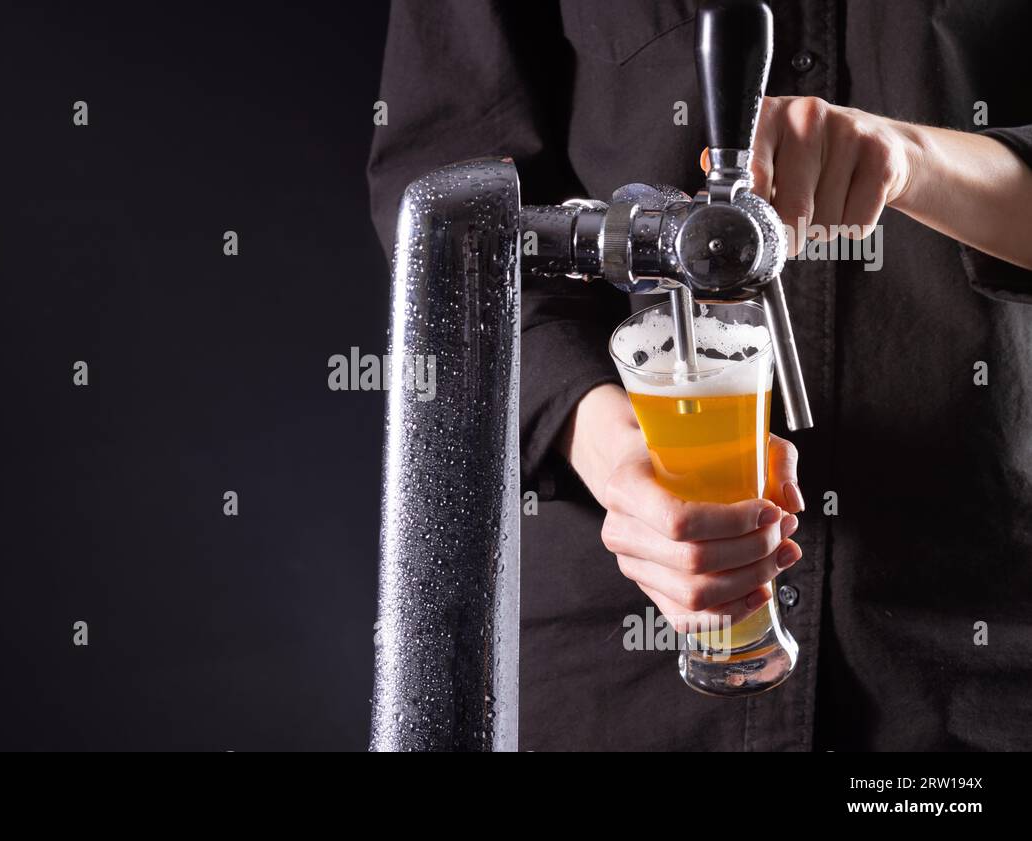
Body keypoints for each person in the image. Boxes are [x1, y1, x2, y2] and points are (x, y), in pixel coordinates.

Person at [368, 0, 1032, 751]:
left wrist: (914, 159)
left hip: (977, 648)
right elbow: (449, 196)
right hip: (609, 653)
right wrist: (619, 459)